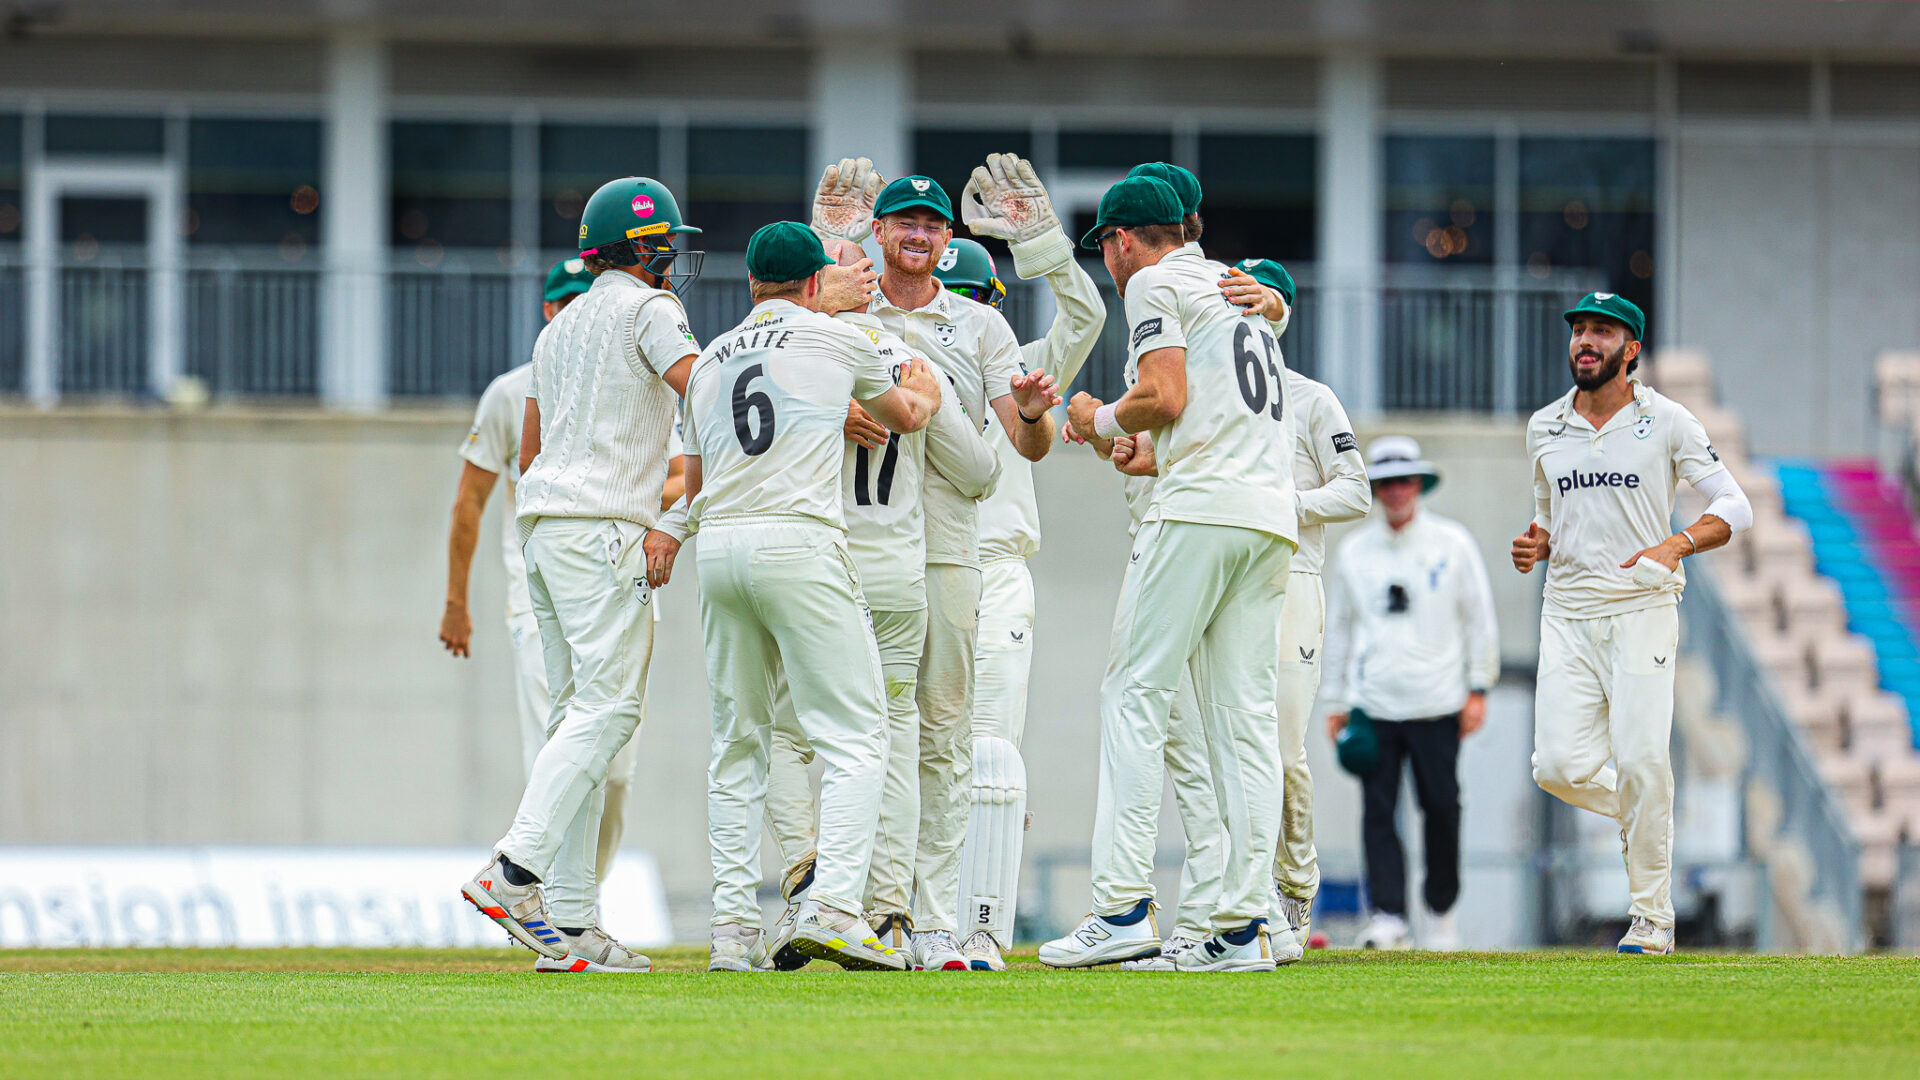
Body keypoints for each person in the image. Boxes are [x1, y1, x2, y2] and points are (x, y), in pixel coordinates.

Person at [657, 221, 942, 973]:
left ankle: (728, 933)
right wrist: (925, 378)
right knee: (858, 735)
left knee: (739, 742)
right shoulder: (836, 340)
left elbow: (689, 477)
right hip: (799, 540)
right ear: (815, 283)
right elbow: (908, 415)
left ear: (752, 283)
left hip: (718, 545)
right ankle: (834, 909)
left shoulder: (712, 357)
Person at [1045, 175, 1298, 972]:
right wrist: (1152, 448)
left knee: (1133, 693)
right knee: (1244, 719)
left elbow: (1164, 391)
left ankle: (1121, 907)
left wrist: (1096, 418)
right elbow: (1215, 409)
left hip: (1201, 513)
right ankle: (1245, 926)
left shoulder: (1154, 281)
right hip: (1268, 518)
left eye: (1108, 253)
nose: (1112, 269)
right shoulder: (1236, 289)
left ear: (1122, 241)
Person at [459, 177, 703, 974]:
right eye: (667, 242)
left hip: (543, 531)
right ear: (646, 250)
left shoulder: (557, 333)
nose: (675, 255)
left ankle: (569, 916)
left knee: (579, 717)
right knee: (609, 708)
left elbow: (533, 450)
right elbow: (705, 389)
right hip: (604, 529)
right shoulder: (651, 310)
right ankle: (513, 871)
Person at [820, 168, 1061, 964]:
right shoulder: (847, 309)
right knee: (869, 731)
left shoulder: (982, 330)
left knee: (945, 734)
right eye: (903, 223)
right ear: (879, 234)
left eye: (931, 225)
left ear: (946, 240)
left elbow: (1022, 446)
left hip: (954, 546)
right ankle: (876, 910)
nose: (918, 236)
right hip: (869, 544)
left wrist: (1029, 412)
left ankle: (933, 916)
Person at [757, 223, 1003, 972]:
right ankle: (889, 914)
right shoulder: (909, 358)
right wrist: (920, 410)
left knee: (788, 732)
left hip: (822, 564)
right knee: (892, 737)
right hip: (899, 570)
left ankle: (808, 884)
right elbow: (981, 471)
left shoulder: (796, 355)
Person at [1512, 292, 1752, 956]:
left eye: (1602, 332)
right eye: (1579, 330)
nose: (1585, 341)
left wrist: (1674, 544)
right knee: (1557, 767)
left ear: (1631, 349)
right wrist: (1537, 542)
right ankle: (1650, 816)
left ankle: (1651, 918)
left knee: (1644, 760)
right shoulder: (1544, 427)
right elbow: (1546, 516)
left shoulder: (1667, 421)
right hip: (1567, 613)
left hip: (1642, 608)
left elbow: (1736, 506)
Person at [944, 155, 1107, 972]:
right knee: (911, 751)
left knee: (993, 755)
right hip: (917, 567)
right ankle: (912, 921)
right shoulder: (895, 357)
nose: (964, 318)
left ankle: (982, 927)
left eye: (976, 303)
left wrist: (1041, 242)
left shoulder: (1019, 362)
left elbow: (1083, 319)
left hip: (997, 568)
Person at [1322, 436, 1498, 951]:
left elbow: (1478, 620)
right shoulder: (1355, 551)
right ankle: (1389, 915)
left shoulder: (1453, 543)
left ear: (1418, 484)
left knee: (1441, 806)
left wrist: (1479, 687)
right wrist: (1335, 701)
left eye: (1403, 481)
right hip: (1374, 703)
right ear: (1374, 490)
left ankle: (1441, 913)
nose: (1395, 492)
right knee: (1378, 813)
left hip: (1440, 700)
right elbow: (1340, 630)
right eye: (1385, 484)